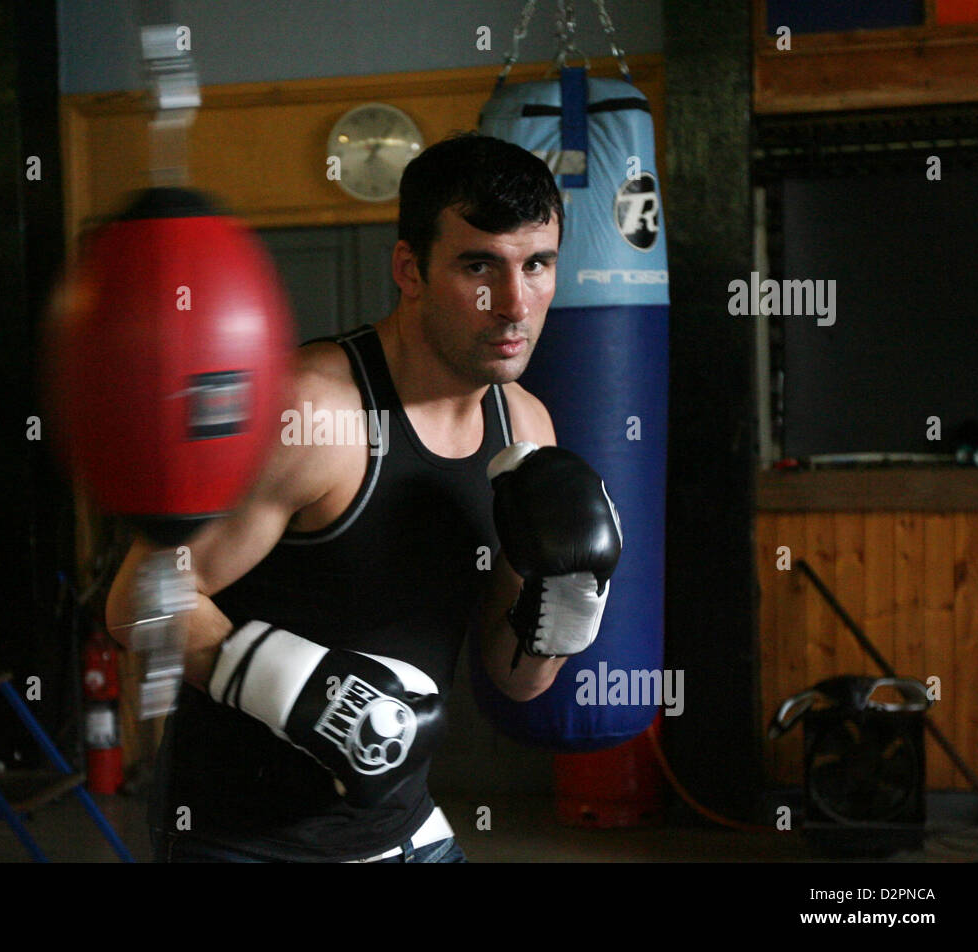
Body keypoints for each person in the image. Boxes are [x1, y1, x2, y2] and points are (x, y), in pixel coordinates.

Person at [105, 132, 620, 863]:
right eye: (480, 266)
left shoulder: (524, 427)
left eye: (537, 265)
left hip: (402, 831)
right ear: (409, 269)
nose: (514, 303)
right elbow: (137, 601)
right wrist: (295, 685)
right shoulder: (313, 414)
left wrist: (570, 602)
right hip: (244, 840)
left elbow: (517, 678)